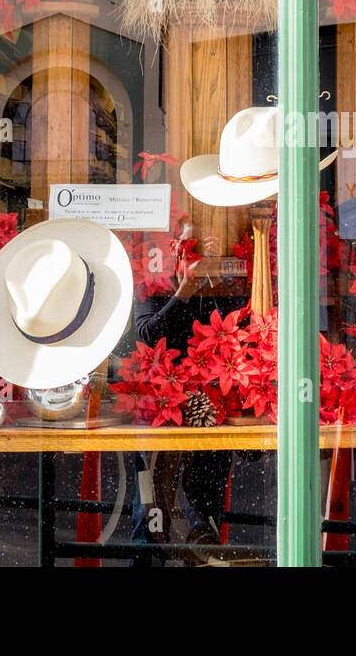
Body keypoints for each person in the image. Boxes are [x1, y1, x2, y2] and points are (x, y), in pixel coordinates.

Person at [122, 222, 240, 564]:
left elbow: (237, 330)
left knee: (204, 513)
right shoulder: (151, 287)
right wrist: (184, 291)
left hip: (210, 409)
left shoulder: (224, 287)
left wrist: (216, 283)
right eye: (190, 249)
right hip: (161, 408)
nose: (198, 258)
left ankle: (201, 554)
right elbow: (146, 334)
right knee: (149, 510)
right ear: (174, 251)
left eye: (207, 249)